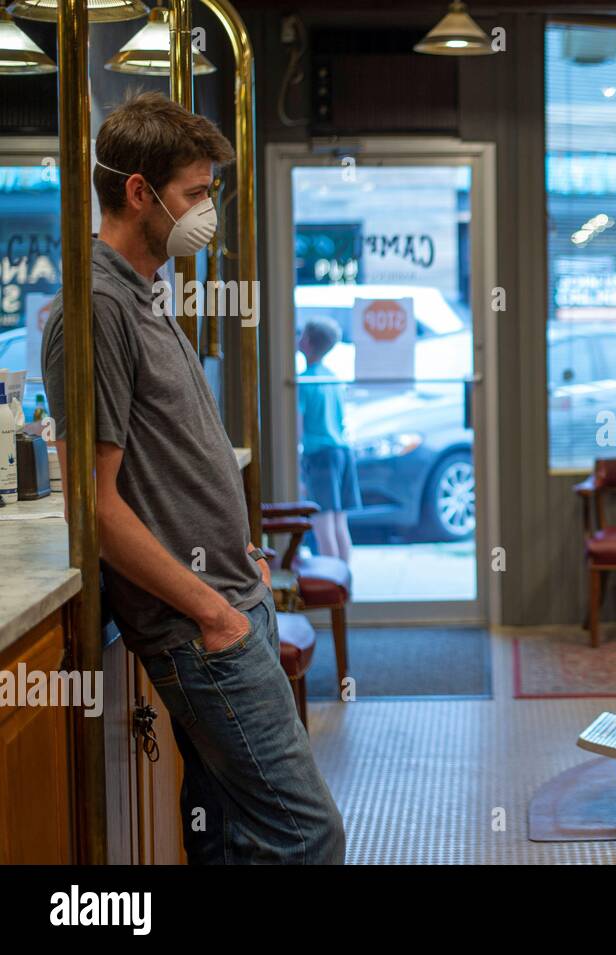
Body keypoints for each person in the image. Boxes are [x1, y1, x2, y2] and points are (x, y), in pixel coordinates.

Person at [42, 92, 345, 864]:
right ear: (139, 192)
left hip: (229, 603)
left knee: (231, 838)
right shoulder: (95, 306)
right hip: (202, 630)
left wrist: (236, 561)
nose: (207, 211)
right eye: (196, 193)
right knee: (309, 835)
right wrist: (213, 609)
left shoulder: (144, 291)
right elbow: (95, 507)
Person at [297, 317, 359, 562]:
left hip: (320, 456)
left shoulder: (305, 380)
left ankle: (331, 586)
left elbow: (298, 429)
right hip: (342, 452)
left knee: (323, 527)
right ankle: (345, 587)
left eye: (302, 334)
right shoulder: (332, 377)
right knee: (340, 523)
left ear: (308, 342)